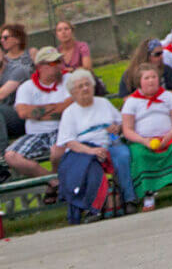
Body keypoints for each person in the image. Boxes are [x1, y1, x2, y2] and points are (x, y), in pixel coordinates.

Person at [54, 68, 133, 222]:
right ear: (73, 92)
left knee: (123, 156)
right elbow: (69, 142)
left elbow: (121, 123)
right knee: (90, 167)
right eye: (80, 86)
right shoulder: (70, 112)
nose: (85, 88)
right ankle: (94, 208)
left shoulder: (103, 102)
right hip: (83, 149)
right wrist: (91, 151)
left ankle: (129, 199)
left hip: (109, 143)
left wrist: (117, 128)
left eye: (87, 84)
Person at [120, 63, 172, 210]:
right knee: (138, 154)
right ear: (139, 81)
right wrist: (145, 141)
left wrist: (168, 137)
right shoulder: (131, 102)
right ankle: (148, 194)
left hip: (168, 138)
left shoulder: (168, 96)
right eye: (147, 78)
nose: (151, 81)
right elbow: (127, 129)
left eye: (154, 77)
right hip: (144, 142)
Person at [3, 46, 69, 196]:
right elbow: (22, 112)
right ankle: (54, 182)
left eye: (60, 61)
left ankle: (54, 188)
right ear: (40, 66)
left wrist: (37, 112)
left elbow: (68, 107)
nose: (59, 65)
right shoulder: (27, 87)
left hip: (62, 129)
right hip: (35, 134)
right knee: (11, 156)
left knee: (57, 152)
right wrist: (55, 108)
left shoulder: (68, 80)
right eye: (53, 63)